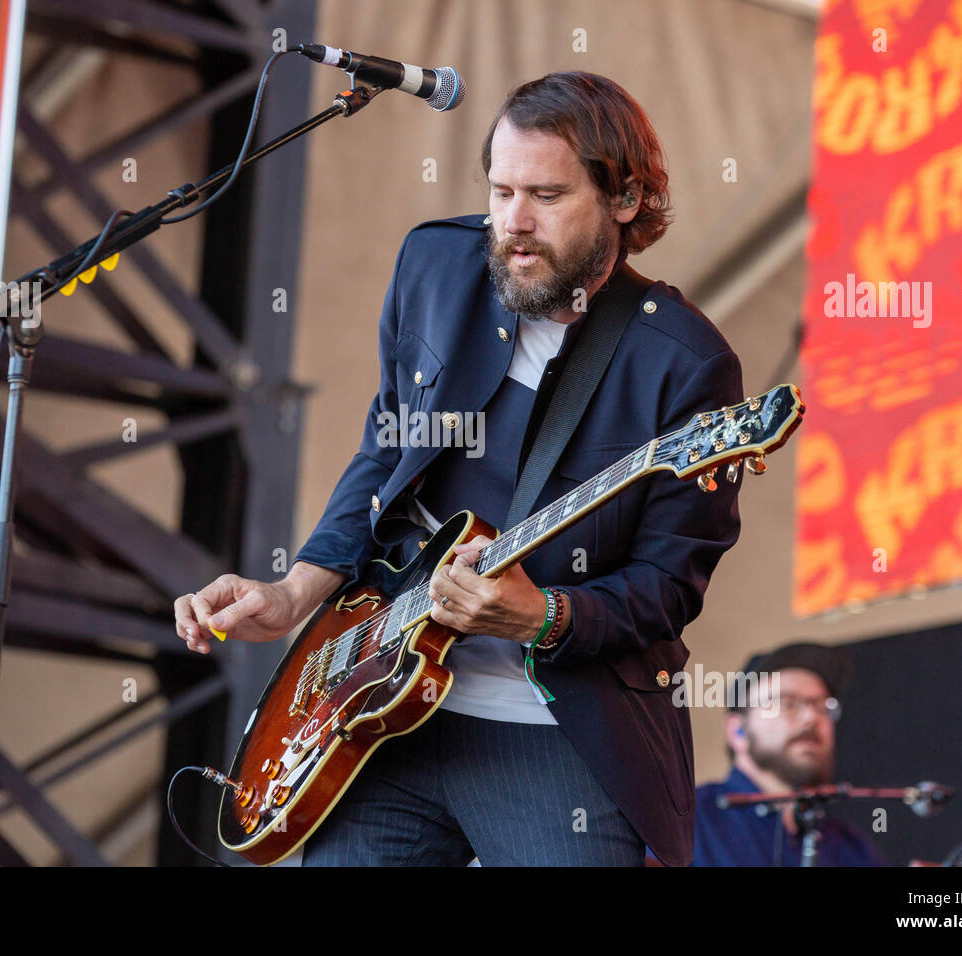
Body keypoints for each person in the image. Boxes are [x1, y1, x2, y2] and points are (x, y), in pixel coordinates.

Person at [174, 71, 745, 866]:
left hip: (551, 735)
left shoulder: (685, 365)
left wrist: (543, 616)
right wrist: (295, 589)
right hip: (377, 710)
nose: (513, 223)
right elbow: (387, 445)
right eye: (500, 191)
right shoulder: (436, 266)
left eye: (546, 195)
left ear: (626, 200)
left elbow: (668, 585)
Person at [690, 641, 885, 866]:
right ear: (738, 730)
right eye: (788, 703)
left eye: (823, 707)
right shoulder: (685, 824)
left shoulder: (854, 849)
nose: (811, 717)